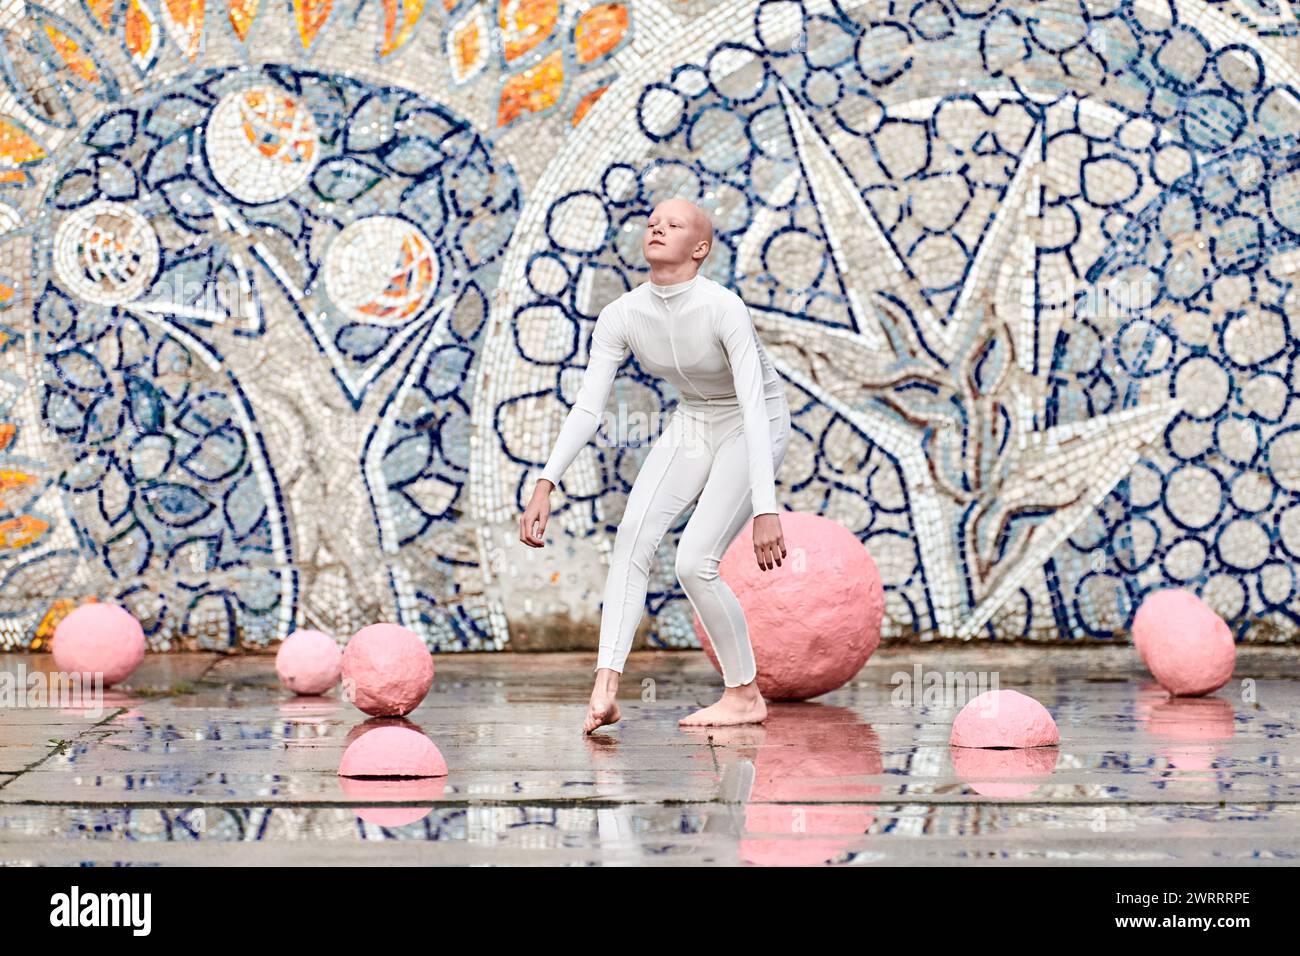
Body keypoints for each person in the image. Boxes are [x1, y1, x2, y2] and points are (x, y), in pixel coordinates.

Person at [519, 198, 792, 734]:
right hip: (694, 419)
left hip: (752, 420)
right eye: (652, 223)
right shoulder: (623, 314)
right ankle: (605, 690)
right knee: (632, 541)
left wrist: (766, 507)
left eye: (674, 224)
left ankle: (744, 695)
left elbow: (755, 406)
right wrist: (546, 481)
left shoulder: (723, 307)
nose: (658, 228)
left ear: (700, 248)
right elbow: (590, 406)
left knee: (694, 562)